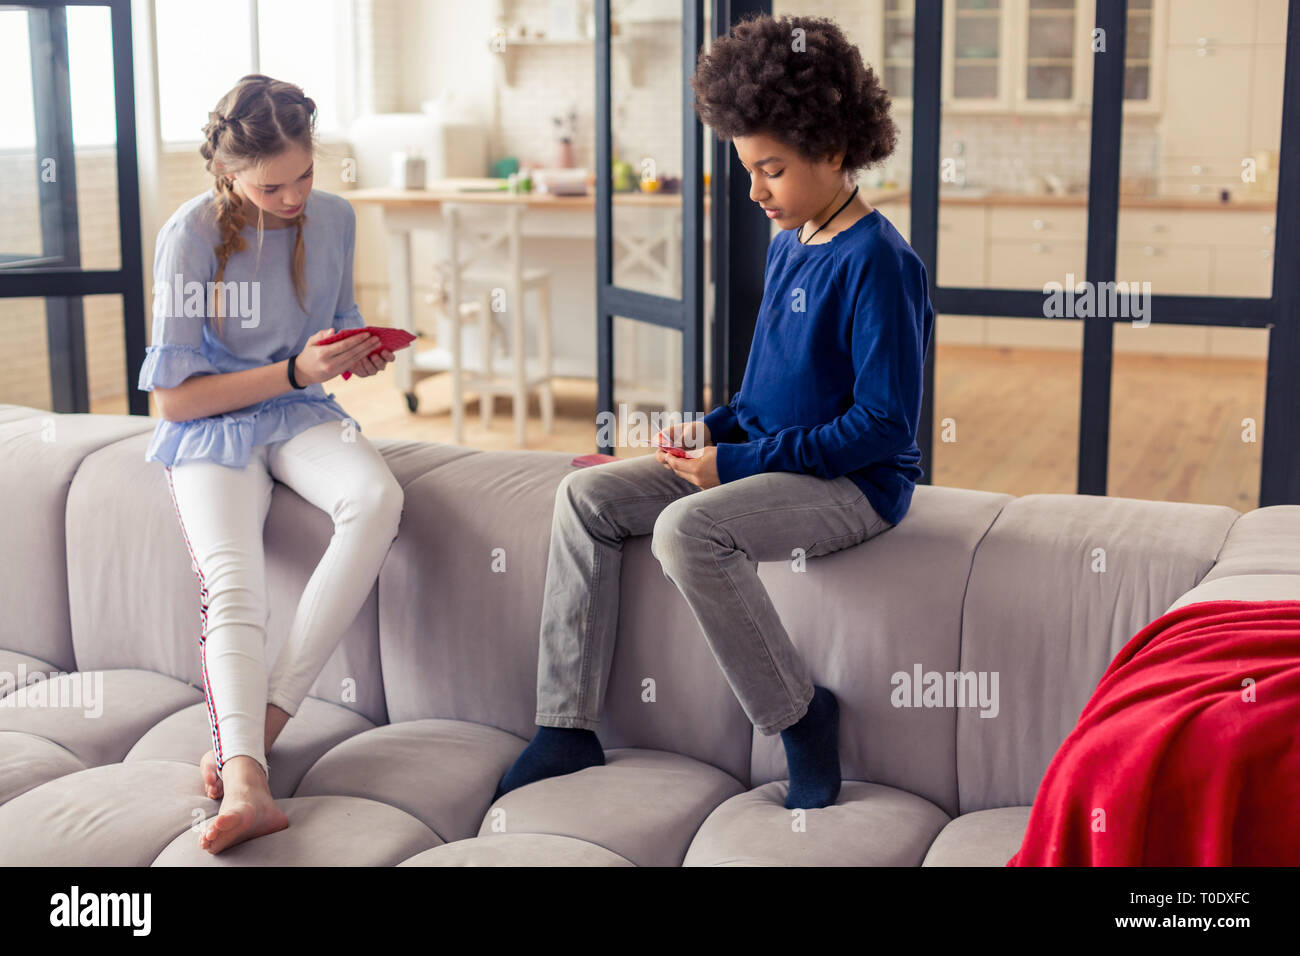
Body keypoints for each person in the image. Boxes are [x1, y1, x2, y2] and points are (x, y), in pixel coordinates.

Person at [497, 13, 934, 810]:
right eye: (748, 169)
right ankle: (566, 725)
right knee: (585, 497)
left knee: (686, 527)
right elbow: (764, 397)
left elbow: (883, 428)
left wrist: (731, 463)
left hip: (855, 485)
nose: (755, 191)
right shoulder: (792, 239)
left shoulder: (880, 264)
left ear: (834, 151)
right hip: (765, 458)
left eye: (771, 170)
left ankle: (801, 717)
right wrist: (715, 428)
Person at [139, 74, 402, 854]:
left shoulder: (338, 218)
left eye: (305, 176)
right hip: (213, 429)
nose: (293, 198)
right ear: (227, 171)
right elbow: (175, 402)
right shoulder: (189, 236)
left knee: (376, 499)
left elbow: (336, 325)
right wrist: (296, 372)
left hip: (301, 415)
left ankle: (268, 714)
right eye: (270, 184)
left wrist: (357, 355)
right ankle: (248, 780)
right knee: (234, 584)